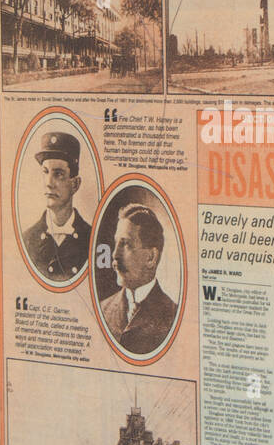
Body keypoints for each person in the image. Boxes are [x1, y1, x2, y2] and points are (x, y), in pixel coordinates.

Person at [99, 203, 178, 354]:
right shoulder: (103, 309)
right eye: (116, 243)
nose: (115, 254)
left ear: (151, 257)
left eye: (126, 244)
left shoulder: (173, 316)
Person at [22, 130, 91, 282]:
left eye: (58, 174)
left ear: (75, 184)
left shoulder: (91, 239)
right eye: (45, 172)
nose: (49, 182)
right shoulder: (27, 239)